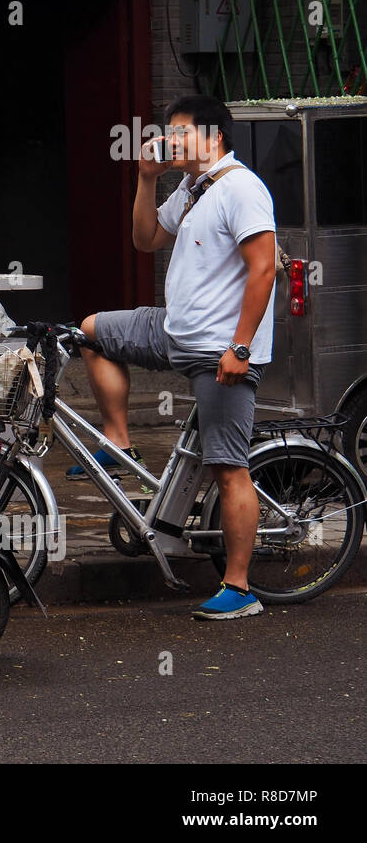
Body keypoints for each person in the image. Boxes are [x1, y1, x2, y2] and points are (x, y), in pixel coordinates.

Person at [78, 95, 276, 620]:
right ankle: (119, 440)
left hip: (219, 351)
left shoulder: (242, 188)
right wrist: (146, 178)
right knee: (92, 333)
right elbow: (145, 240)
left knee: (228, 468)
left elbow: (263, 270)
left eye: (180, 132)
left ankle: (239, 588)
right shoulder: (191, 187)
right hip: (172, 332)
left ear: (213, 137)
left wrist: (240, 348)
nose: (170, 141)